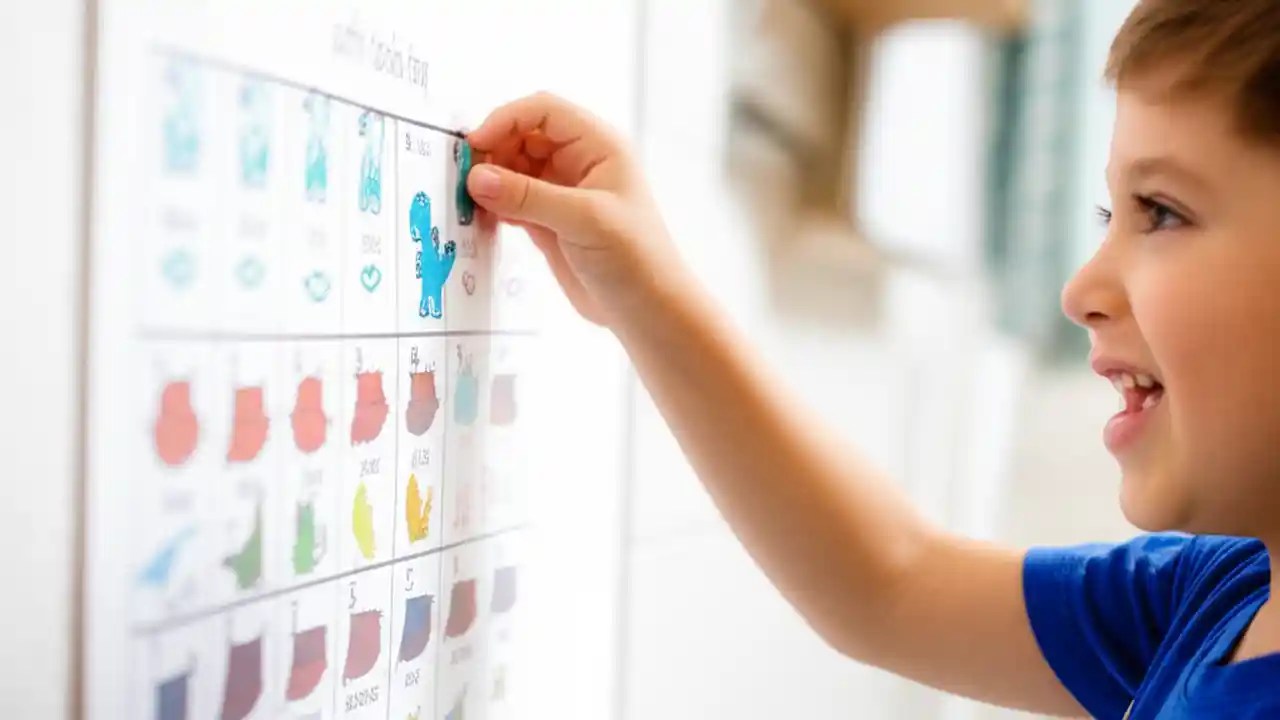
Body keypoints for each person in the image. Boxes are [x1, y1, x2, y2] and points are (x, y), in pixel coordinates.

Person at [464, 1, 1280, 717]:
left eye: (1161, 212)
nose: (1081, 290)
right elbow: (891, 584)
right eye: (1108, 213)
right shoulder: (1222, 593)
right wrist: (645, 295)